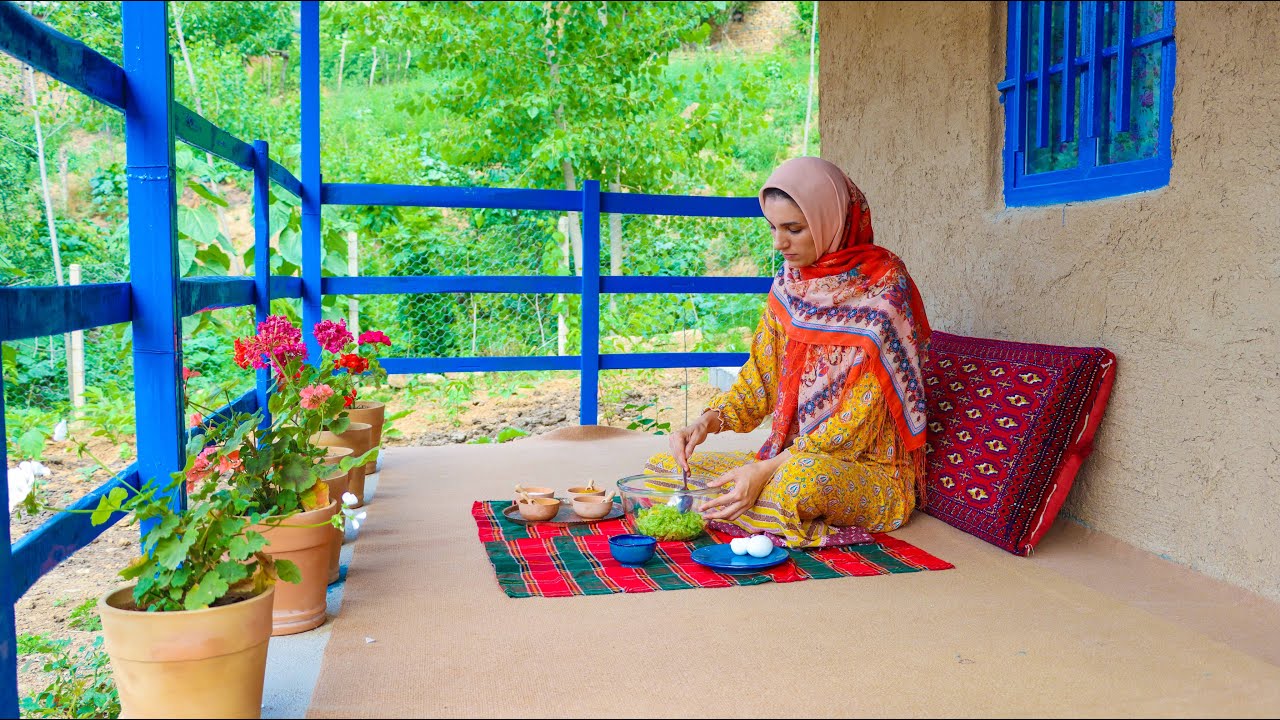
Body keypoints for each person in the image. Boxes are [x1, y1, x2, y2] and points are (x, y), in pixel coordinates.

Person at [642, 156, 932, 547]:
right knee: (662, 469)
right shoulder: (790, 283)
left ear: (831, 221)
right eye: (774, 228)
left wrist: (766, 470)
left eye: (794, 229)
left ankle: (736, 504)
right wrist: (707, 423)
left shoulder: (885, 293)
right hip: (784, 457)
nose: (780, 243)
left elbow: (852, 427)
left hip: (860, 469)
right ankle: (743, 504)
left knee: (794, 488)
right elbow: (759, 380)